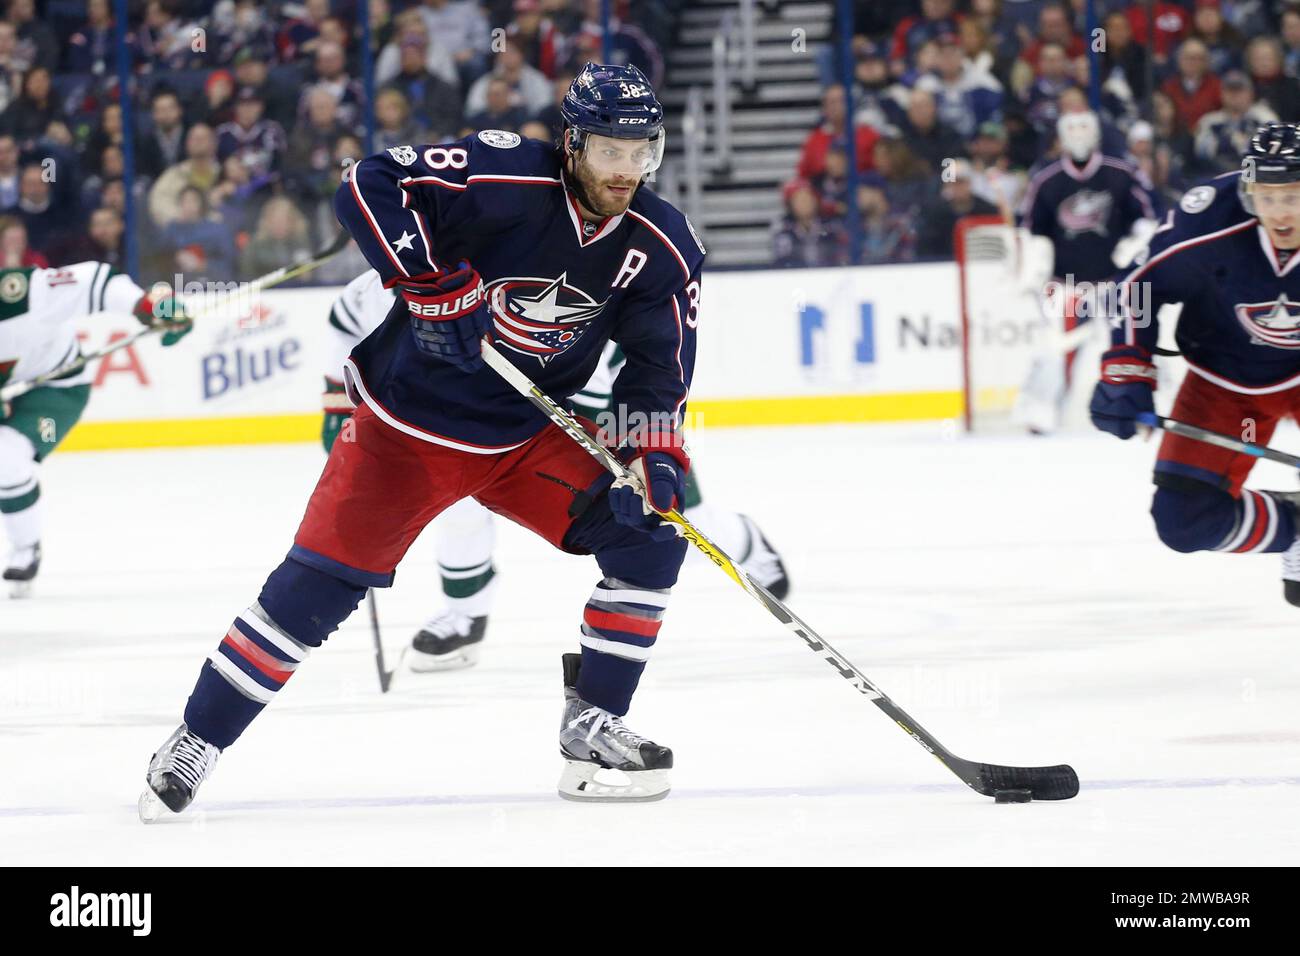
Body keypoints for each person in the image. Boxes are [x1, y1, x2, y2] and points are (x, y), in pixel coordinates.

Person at [140, 64, 705, 815]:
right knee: (311, 594)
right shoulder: (504, 173)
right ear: (571, 144)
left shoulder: (660, 245)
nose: (628, 171)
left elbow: (656, 372)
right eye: (611, 151)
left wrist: (652, 452)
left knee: (651, 538)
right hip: (406, 426)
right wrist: (427, 281)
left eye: (644, 153)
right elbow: (367, 182)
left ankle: (594, 721)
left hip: (522, 435)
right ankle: (198, 738)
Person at [321, 269, 790, 670]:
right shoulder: (361, 297)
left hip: (599, 390)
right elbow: (340, 375)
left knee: (661, 512)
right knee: (451, 499)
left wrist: (617, 439)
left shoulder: (476, 264)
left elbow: (589, 354)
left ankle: (745, 542)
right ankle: (466, 611)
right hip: (464, 419)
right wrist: (348, 437)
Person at [1090, 123, 1300, 606]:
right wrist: (1126, 368)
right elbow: (1137, 285)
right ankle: (1292, 526)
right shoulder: (1212, 220)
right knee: (1183, 520)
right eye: (1268, 197)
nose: (1280, 212)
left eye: (1292, 195)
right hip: (1224, 382)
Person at [0, 264, 191, 596]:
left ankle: (25, 546)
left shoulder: (20, 294)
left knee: (7, 458)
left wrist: (148, 305)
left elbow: (96, 280)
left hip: (55, 389)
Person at [1014, 109, 1160, 433]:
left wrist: (1137, 243)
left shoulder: (1121, 172)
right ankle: (1038, 413)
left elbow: (1148, 215)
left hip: (1115, 283)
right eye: (1072, 128)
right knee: (1055, 350)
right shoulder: (1046, 180)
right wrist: (1032, 268)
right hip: (1065, 285)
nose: (1078, 135)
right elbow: (1031, 229)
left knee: (1131, 346)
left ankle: (1137, 409)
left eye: (1085, 127)